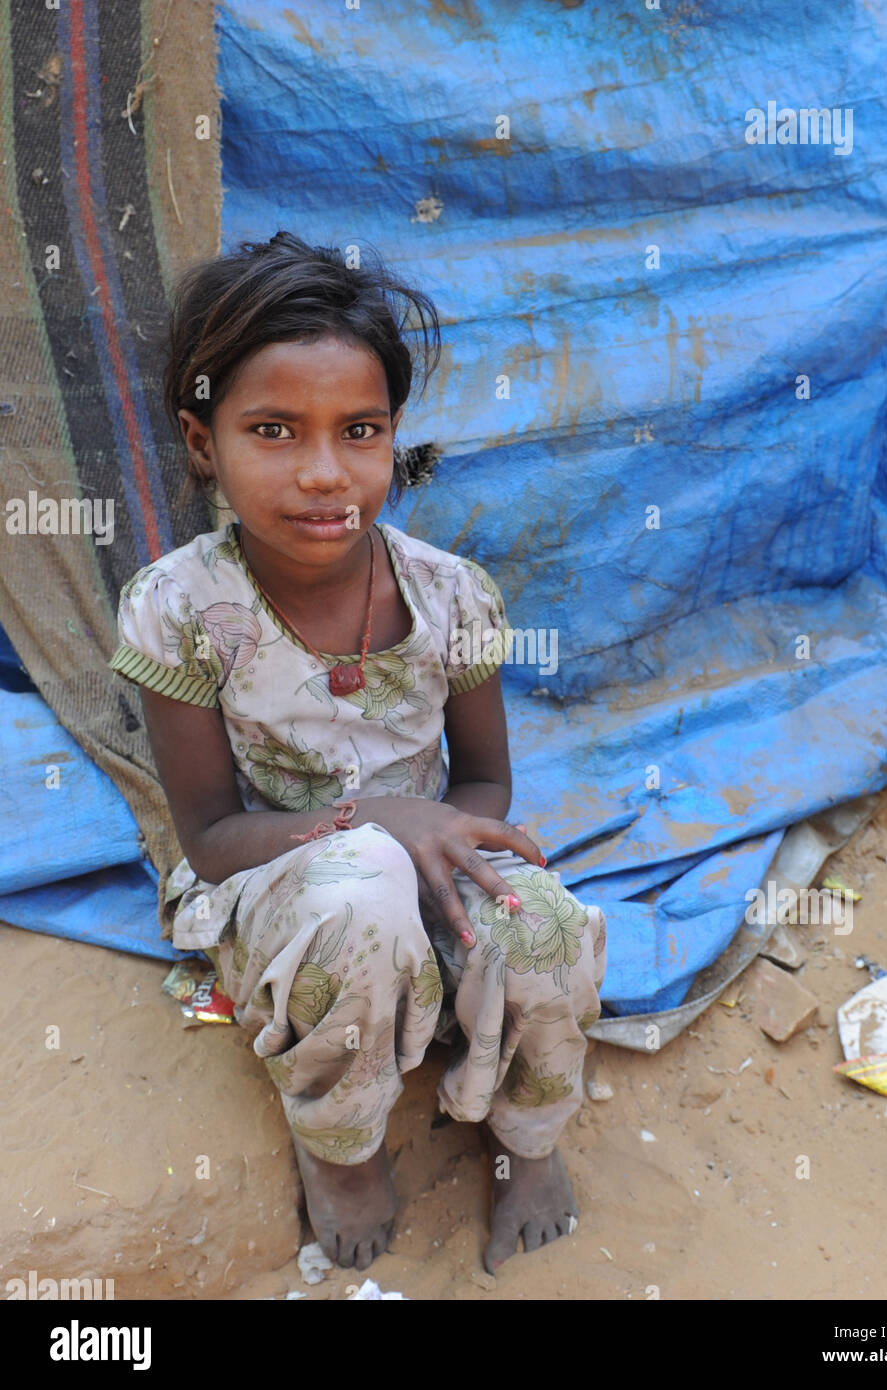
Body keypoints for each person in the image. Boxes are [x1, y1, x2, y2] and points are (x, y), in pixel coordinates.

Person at [109, 231, 607, 1275]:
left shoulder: (450, 594)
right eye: (275, 430)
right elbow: (207, 836)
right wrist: (371, 821)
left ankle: (524, 1139)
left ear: (393, 438)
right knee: (361, 886)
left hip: (420, 859)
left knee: (548, 927)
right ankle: (341, 1141)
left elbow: (481, 780)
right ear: (203, 442)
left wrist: (441, 841)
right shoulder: (179, 609)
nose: (325, 472)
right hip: (278, 876)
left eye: (360, 430)